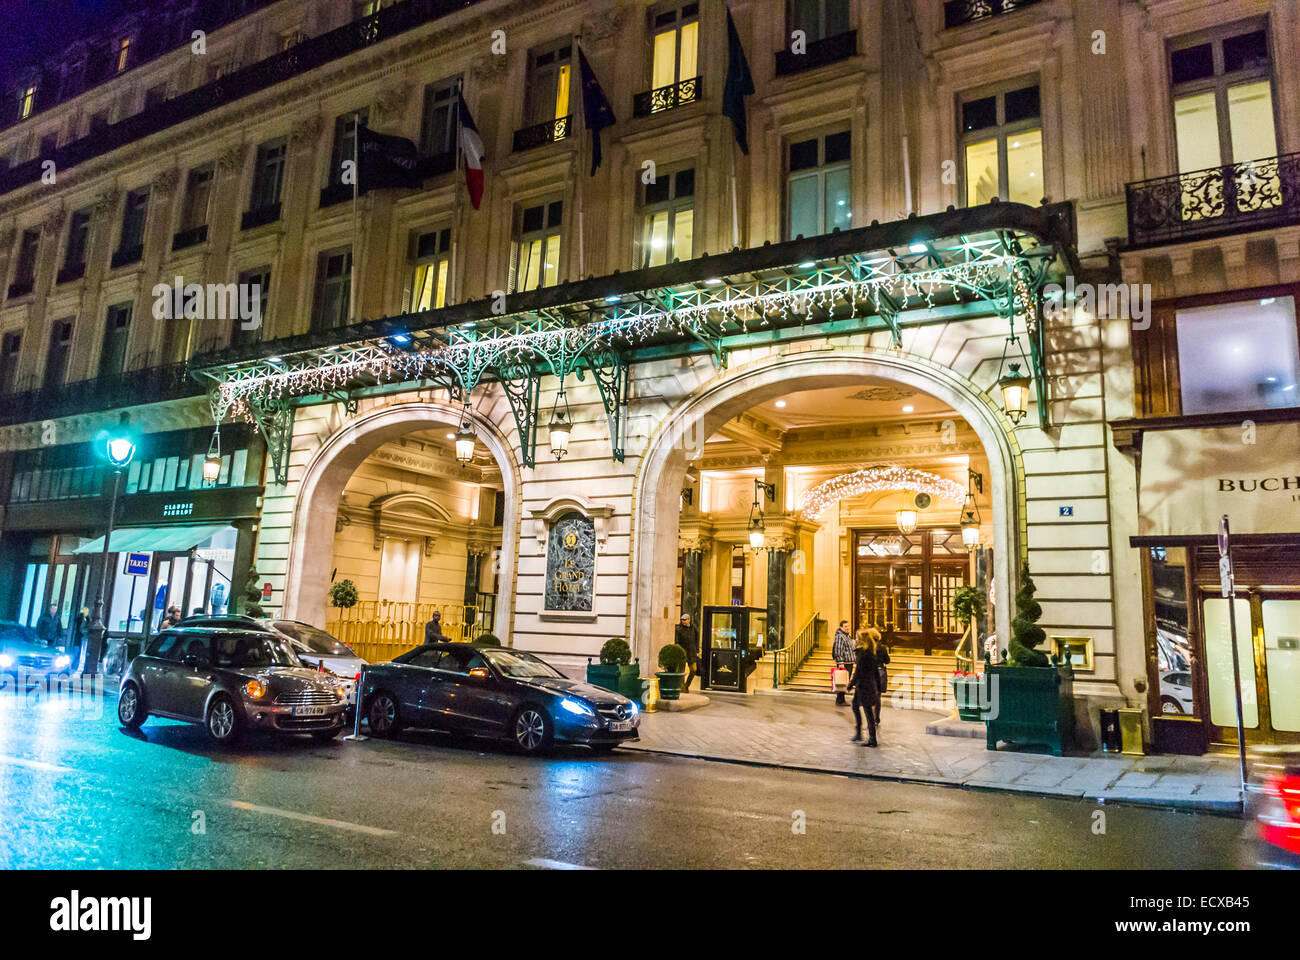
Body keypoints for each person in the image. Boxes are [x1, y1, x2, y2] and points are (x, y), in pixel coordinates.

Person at [846, 628, 881, 747]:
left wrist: (850, 684)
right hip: (869, 685)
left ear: (862, 640)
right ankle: (861, 734)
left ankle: (871, 739)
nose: (855, 640)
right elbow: (875, 672)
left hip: (864, 686)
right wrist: (878, 687)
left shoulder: (863, 654)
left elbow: (858, 672)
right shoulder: (871, 652)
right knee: (857, 706)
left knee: (866, 712)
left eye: (857, 638)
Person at [674, 614, 700, 692]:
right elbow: (677, 641)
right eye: (682, 620)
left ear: (689, 620)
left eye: (685, 620)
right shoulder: (678, 629)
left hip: (692, 652)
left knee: (694, 670)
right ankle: (682, 687)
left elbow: (697, 640)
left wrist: (697, 650)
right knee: (681, 671)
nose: (683, 621)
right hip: (682, 652)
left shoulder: (694, 628)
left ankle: (686, 685)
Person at [831, 619, 854, 706]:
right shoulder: (840, 636)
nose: (848, 628)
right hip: (844, 663)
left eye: (848, 626)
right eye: (845, 626)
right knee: (841, 682)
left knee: (844, 682)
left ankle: (841, 699)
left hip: (849, 662)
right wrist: (840, 662)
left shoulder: (847, 636)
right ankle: (840, 700)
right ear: (841, 627)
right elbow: (838, 650)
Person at [874, 631, 891, 725]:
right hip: (879, 671)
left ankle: (870, 716)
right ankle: (876, 718)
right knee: (877, 696)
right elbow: (887, 660)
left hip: (869, 672)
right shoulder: (882, 647)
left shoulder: (867, 647)